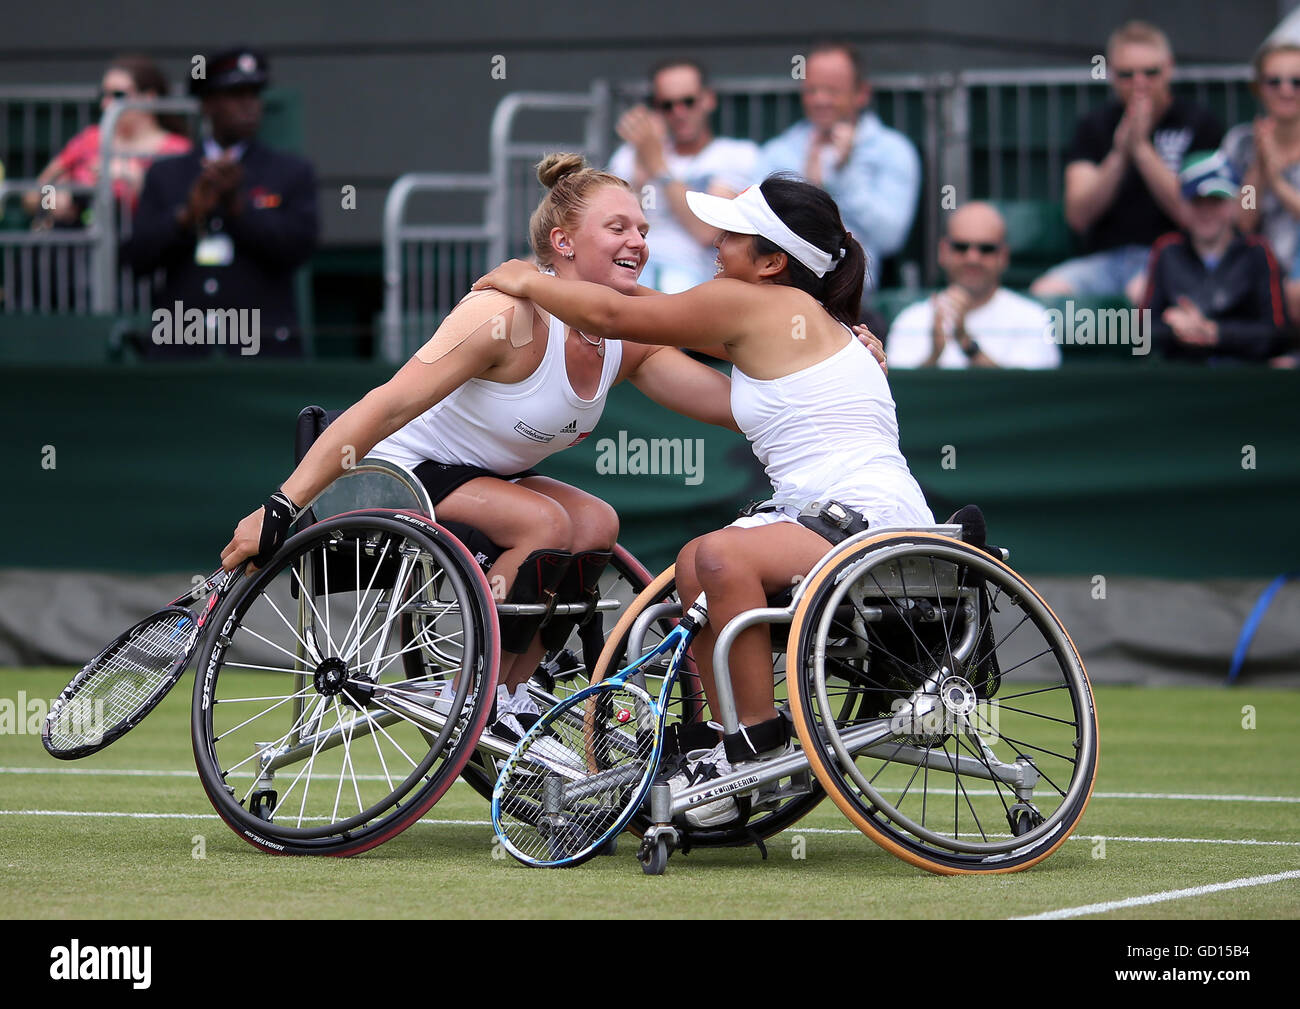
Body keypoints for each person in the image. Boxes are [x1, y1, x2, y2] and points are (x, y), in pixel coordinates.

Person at [220, 155, 765, 743]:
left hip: (484, 480)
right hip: (397, 474)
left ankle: (514, 691)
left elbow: (740, 403)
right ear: (563, 242)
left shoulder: (624, 334)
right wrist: (282, 506)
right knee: (546, 524)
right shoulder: (504, 314)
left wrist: (824, 365)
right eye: (618, 228)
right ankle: (472, 693)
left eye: (643, 230)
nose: (637, 241)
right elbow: (386, 406)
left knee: (595, 522)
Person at [473, 175, 934, 825]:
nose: (714, 243)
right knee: (694, 562)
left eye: (732, 237)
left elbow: (613, 314)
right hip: (833, 514)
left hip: (864, 518)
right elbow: (658, 313)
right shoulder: (794, 314)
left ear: (771, 262)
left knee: (719, 557)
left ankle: (755, 741)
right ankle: (725, 744)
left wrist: (525, 280)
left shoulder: (753, 305)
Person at [123, 47, 318, 358]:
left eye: (254, 94)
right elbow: (137, 258)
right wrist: (185, 217)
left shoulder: (289, 171)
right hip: (181, 346)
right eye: (235, 95)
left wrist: (239, 207)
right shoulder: (168, 174)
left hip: (262, 348)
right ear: (207, 105)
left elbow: (299, 247)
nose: (248, 105)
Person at [1031, 21, 1222, 299]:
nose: (1139, 83)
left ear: (1169, 67)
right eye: (1127, 74)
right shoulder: (1094, 125)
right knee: (1045, 293)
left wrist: (1142, 150)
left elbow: (1194, 214)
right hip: (1104, 260)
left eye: (1150, 72)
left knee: (1141, 293)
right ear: (1111, 74)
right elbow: (1078, 216)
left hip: (1174, 256)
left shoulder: (1199, 122)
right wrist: (1120, 153)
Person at [756, 42, 920, 290]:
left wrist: (845, 175)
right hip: (779, 286)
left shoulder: (893, 150)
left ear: (862, 93)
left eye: (832, 91)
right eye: (812, 91)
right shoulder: (778, 151)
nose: (820, 100)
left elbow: (890, 238)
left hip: (850, 296)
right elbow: (757, 225)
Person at [608, 59, 759, 292]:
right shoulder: (631, 154)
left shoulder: (737, 155)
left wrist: (659, 166)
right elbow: (612, 223)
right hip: (632, 267)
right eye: (668, 105)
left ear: (709, 99)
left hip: (694, 278)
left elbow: (707, 231)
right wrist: (641, 172)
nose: (679, 113)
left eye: (688, 102)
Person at [1143, 151, 1292, 364]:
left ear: (1232, 203)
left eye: (1216, 201)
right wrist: (1175, 328)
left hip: (1243, 379)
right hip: (1183, 379)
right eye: (1198, 201)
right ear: (1183, 204)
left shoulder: (1258, 252)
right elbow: (1143, 331)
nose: (1206, 211)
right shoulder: (1166, 250)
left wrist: (1215, 332)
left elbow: (1277, 333)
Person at [22, 55, 191, 227]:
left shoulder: (177, 149)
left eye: (118, 95)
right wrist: (54, 200)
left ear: (149, 97)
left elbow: (182, 211)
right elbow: (31, 195)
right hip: (83, 245)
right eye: (104, 95)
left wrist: (136, 179)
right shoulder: (90, 139)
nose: (106, 104)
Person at [887, 202, 1060, 369]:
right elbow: (900, 394)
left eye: (986, 249)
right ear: (943, 251)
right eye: (961, 247)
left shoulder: (1032, 319)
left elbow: (1028, 393)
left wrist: (967, 345)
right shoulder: (910, 320)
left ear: (1004, 256)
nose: (972, 258)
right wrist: (934, 356)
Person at [1222, 39, 1300, 325]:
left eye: (1297, 81)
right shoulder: (1240, 143)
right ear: (1258, 88)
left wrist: (1277, 181)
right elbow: (1242, 221)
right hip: (1252, 269)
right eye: (1274, 81)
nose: (1286, 90)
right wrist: (1259, 166)